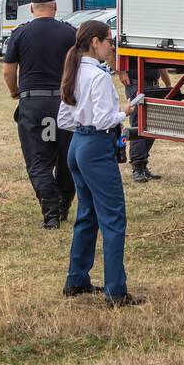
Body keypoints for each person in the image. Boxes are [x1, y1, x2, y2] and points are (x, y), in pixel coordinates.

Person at [58, 19, 143, 307]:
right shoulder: (98, 76)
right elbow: (105, 119)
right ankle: (116, 291)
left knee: (88, 214)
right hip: (95, 146)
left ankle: (77, 278)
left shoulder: (74, 71)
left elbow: (64, 119)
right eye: (109, 41)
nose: (111, 47)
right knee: (113, 219)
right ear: (96, 42)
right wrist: (125, 111)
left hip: (77, 146)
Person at [2, 0, 78, 228]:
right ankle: (64, 204)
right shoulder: (70, 32)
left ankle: (50, 211)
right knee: (67, 159)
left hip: (33, 103)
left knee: (38, 160)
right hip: (64, 103)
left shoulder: (20, 33)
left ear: (32, 8)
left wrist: (15, 91)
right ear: (54, 6)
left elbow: (8, 70)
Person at [122, 59, 170, 183]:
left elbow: (160, 62)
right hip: (137, 85)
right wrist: (121, 72)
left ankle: (142, 166)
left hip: (153, 85)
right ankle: (137, 168)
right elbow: (113, 53)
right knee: (139, 126)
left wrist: (168, 84)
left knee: (152, 126)